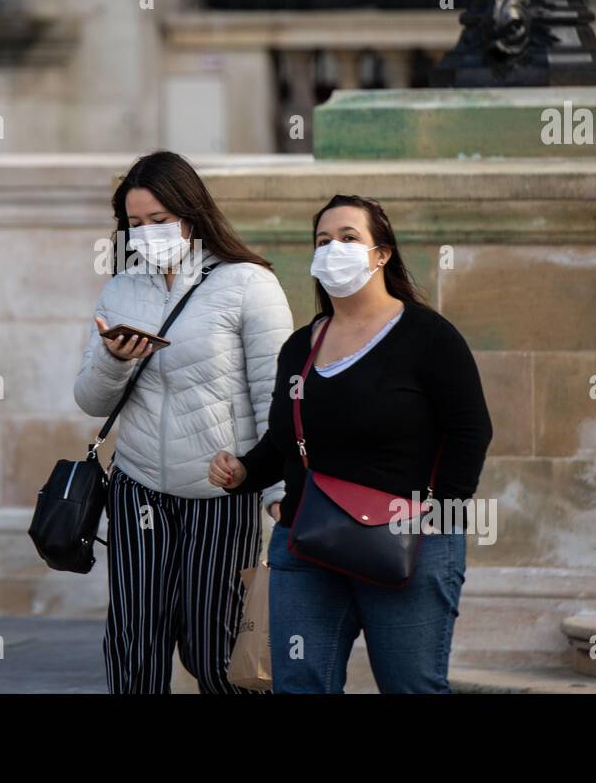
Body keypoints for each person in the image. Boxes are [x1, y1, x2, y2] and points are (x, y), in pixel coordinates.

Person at [208, 194, 493, 693]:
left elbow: (470, 430)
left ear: (381, 253)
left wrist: (438, 514)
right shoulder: (301, 345)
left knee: (411, 687)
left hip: (409, 542)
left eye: (348, 237)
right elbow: (286, 437)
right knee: (298, 685)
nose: (333, 249)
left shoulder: (429, 336)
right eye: (323, 241)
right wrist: (245, 473)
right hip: (306, 542)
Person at [74, 150, 294, 693]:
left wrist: (280, 487)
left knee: (216, 651)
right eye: (135, 223)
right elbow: (90, 400)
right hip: (138, 487)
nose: (146, 233)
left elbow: (278, 394)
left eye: (159, 220)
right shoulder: (122, 289)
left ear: (191, 214)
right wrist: (114, 358)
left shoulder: (248, 284)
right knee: (134, 642)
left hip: (222, 492)